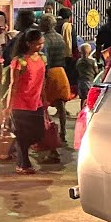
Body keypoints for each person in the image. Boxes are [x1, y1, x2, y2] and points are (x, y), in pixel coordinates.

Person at [5, 29, 46, 175]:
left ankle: (18, 152)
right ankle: (23, 165)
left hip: (36, 102)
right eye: (37, 44)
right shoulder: (19, 61)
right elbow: (13, 85)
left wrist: (45, 101)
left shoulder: (42, 59)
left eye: (42, 43)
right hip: (20, 104)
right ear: (28, 43)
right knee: (22, 136)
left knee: (38, 133)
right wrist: (8, 107)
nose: (40, 46)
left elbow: (43, 82)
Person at [38, 15, 72, 159]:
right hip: (61, 72)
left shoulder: (44, 39)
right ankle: (63, 133)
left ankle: (47, 136)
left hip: (50, 73)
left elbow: (45, 59)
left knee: (43, 107)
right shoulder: (59, 37)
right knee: (61, 106)